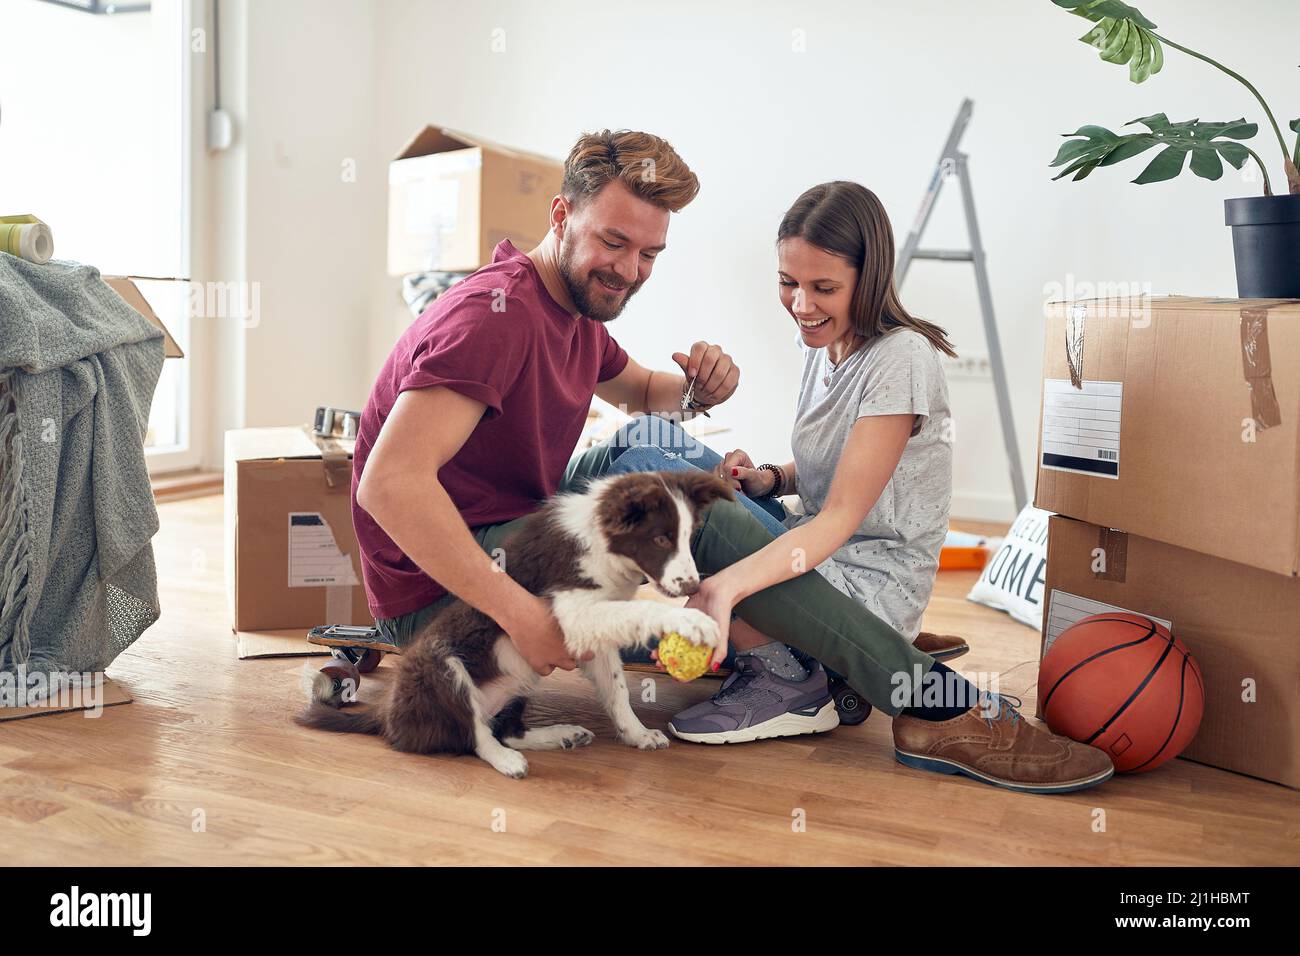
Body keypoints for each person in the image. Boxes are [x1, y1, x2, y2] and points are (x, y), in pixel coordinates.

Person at [352, 130, 1114, 794]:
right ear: (562, 215)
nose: (629, 269)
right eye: (613, 242)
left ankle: (820, 638)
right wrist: (529, 617)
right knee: (673, 496)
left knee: (649, 451)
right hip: (443, 608)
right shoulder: (496, 319)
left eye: (650, 252)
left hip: (515, 549)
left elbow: (646, 392)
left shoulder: (572, 308)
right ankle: (934, 704)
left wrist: (697, 383)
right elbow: (389, 486)